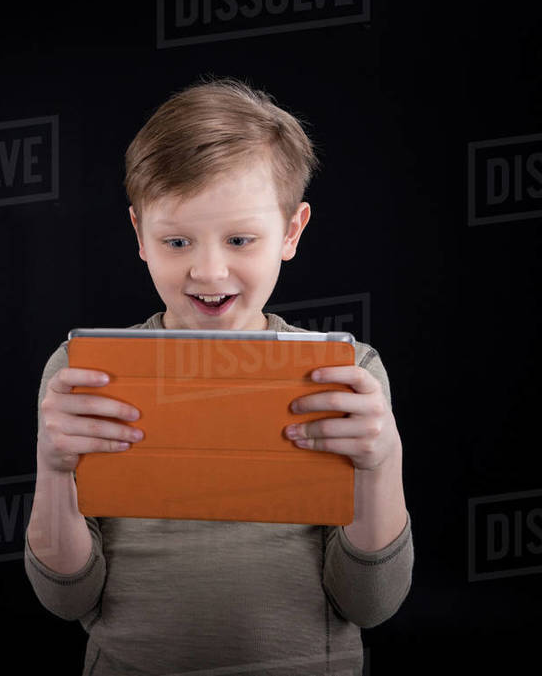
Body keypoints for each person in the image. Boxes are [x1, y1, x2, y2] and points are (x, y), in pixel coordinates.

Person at [23, 77, 412, 676]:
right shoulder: (85, 373)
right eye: (177, 240)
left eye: (240, 239)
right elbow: (65, 597)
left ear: (291, 232)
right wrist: (53, 469)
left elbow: (371, 603)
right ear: (139, 235)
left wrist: (383, 463)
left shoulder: (346, 374)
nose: (208, 271)